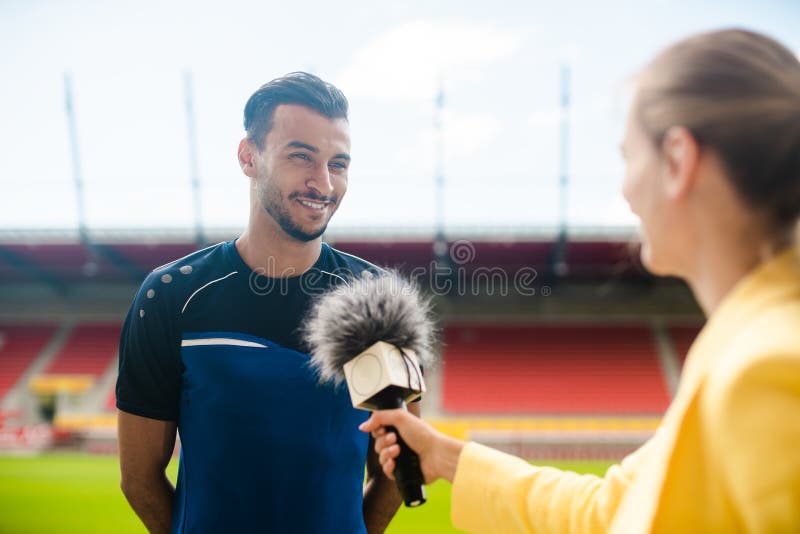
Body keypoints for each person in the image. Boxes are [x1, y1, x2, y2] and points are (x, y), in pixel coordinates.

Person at [362, 28, 800, 533]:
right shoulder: (745, 349)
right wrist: (446, 458)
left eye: (630, 157)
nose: (627, 189)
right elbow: (608, 512)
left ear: (678, 161)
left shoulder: (766, 370)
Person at [116, 72, 415, 533]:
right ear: (248, 156)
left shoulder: (380, 304)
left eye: (339, 163)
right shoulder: (170, 295)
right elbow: (138, 478)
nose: (323, 182)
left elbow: (397, 471)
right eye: (302, 156)